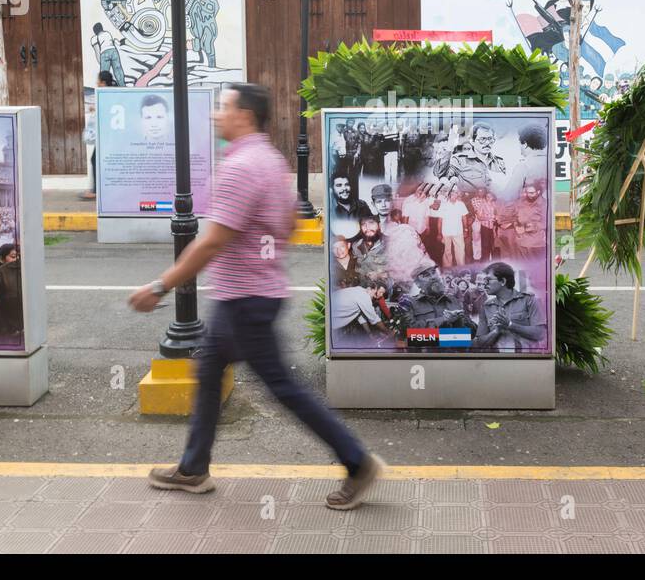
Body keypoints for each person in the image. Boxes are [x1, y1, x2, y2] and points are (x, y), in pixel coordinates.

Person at [130, 82, 383, 509]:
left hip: (244, 300)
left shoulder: (241, 167)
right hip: (252, 293)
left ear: (244, 116)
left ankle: (357, 461)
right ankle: (193, 468)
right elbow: (286, 224)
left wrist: (160, 286)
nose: (216, 116)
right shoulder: (270, 160)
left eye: (223, 108)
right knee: (209, 373)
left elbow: (211, 242)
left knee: (282, 386)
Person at [475, 262, 547, 352]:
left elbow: (540, 334)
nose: (484, 284)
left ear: (503, 281)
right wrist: (496, 331)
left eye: (488, 280)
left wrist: (510, 325)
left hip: (526, 361)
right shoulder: (486, 307)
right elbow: (480, 343)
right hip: (496, 362)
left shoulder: (529, 300)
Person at [81, 70, 118, 201]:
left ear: (103, 82)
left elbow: (107, 112)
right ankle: (99, 189)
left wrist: (95, 110)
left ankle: (97, 191)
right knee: (97, 160)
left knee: (95, 160)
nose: (97, 83)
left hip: (106, 137)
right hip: (108, 136)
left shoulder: (106, 94)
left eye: (99, 80)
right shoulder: (111, 93)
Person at [434, 186, 469, 268]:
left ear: (457, 195)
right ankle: (447, 269)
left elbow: (464, 218)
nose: (453, 195)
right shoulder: (443, 205)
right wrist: (439, 233)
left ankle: (461, 268)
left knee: (460, 251)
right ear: (449, 195)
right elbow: (440, 220)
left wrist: (466, 229)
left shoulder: (461, 204)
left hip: (458, 232)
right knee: (447, 252)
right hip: (446, 232)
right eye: (451, 194)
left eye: (455, 194)